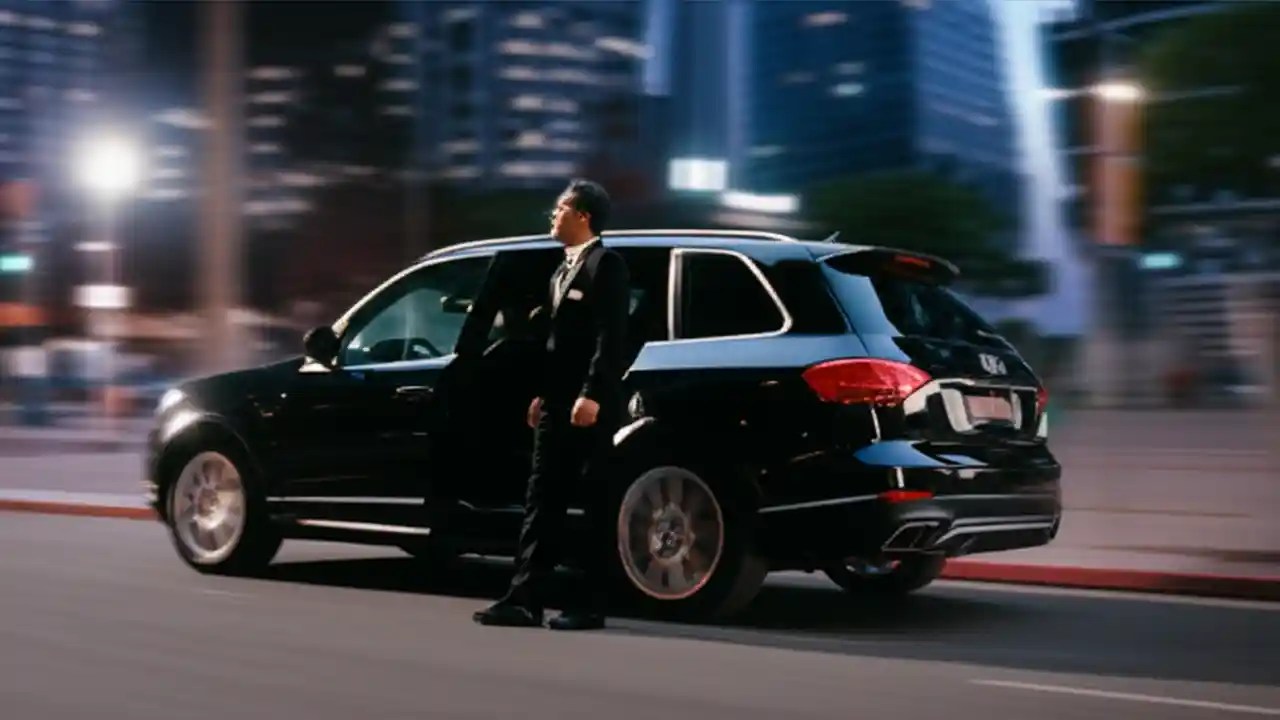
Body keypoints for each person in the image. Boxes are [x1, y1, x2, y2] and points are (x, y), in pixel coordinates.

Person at [473, 179, 630, 631]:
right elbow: (556, 346)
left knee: (591, 504)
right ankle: (524, 599)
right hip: (557, 405)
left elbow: (610, 337)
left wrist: (593, 394)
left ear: (583, 216)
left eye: (559, 209)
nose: (552, 217)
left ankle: (588, 605)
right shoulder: (560, 271)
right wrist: (543, 394)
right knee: (541, 501)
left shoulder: (607, 265)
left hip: (588, 407)